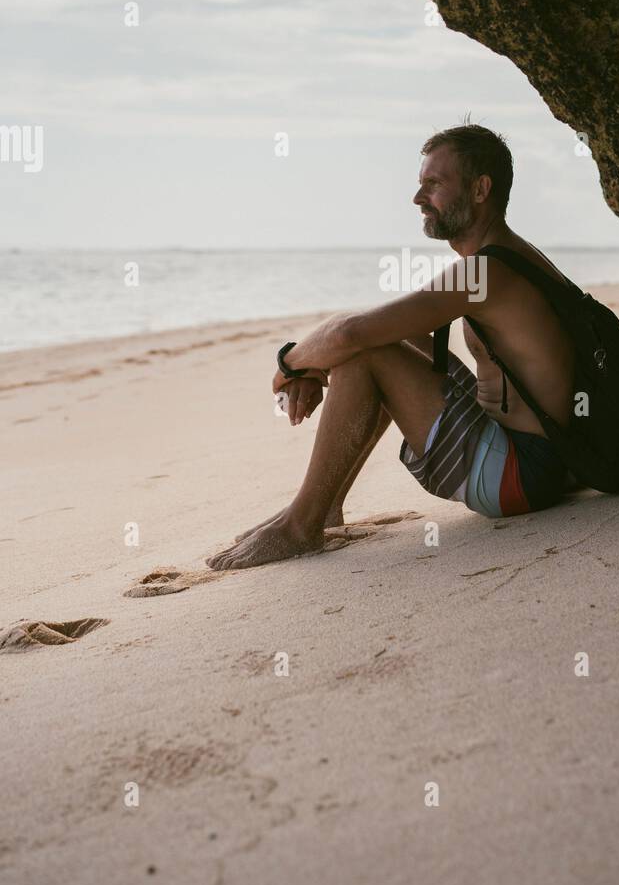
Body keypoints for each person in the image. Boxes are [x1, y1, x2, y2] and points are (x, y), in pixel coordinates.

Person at [207, 124, 577, 570]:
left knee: (367, 351)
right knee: (385, 337)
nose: (418, 198)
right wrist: (316, 359)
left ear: (481, 189)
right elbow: (371, 326)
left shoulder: (486, 273)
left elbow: (350, 335)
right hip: (553, 460)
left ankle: (300, 525)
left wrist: (288, 363)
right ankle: (325, 507)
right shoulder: (512, 255)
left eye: (434, 185)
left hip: (521, 476)